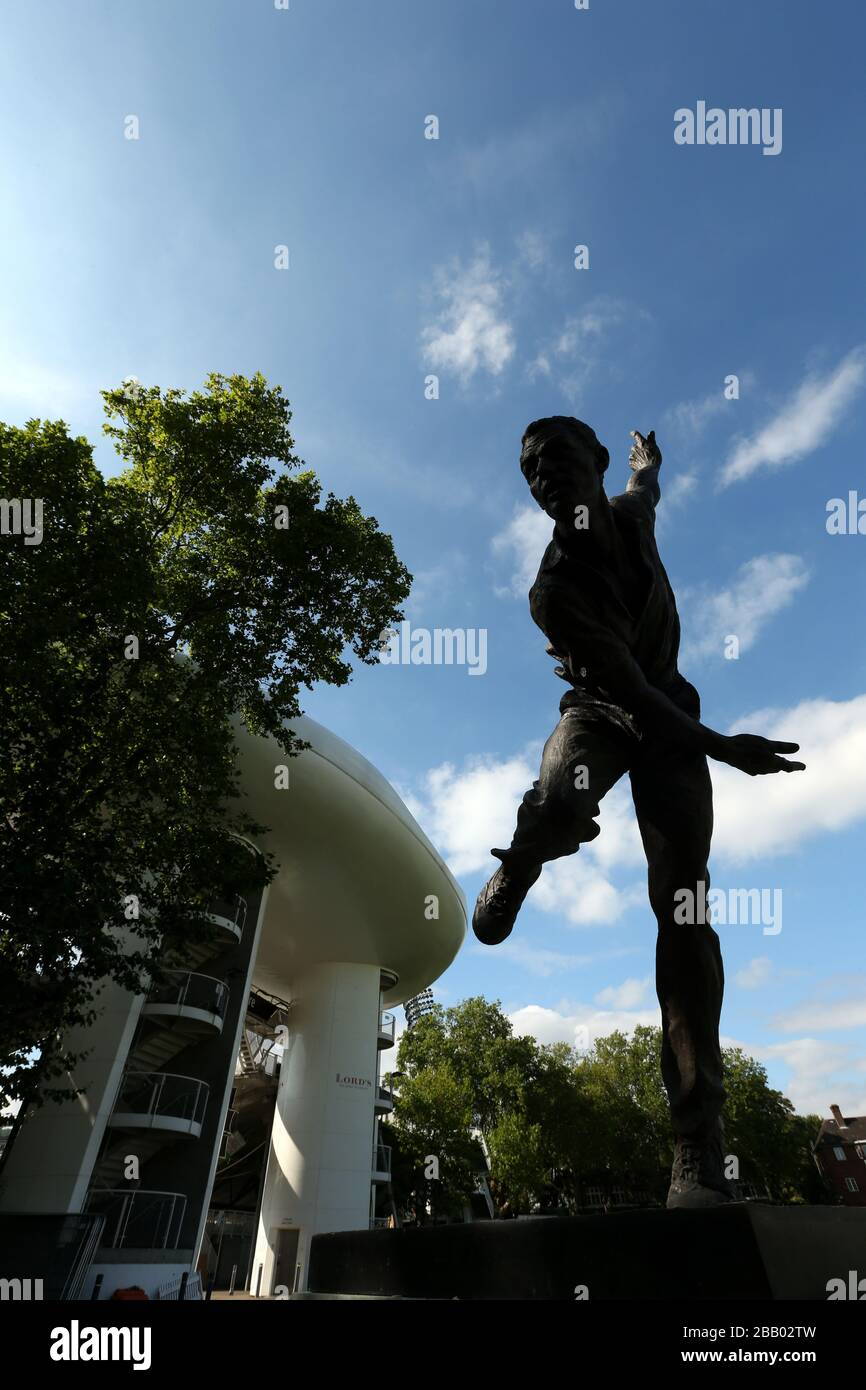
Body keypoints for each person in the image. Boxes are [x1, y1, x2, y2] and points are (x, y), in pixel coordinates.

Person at [473, 417, 805, 1207]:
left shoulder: (629, 515)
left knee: (685, 911)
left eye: (557, 459)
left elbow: (646, 489)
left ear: (591, 464)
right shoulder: (554, 591)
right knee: (562, 795)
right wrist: (727, 748)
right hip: (608, 709)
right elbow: (630, 693)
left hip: (674, 725)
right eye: (530, 471)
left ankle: (697, 1144)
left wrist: (648, 463)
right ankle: (523, 861)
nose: (543, 476)